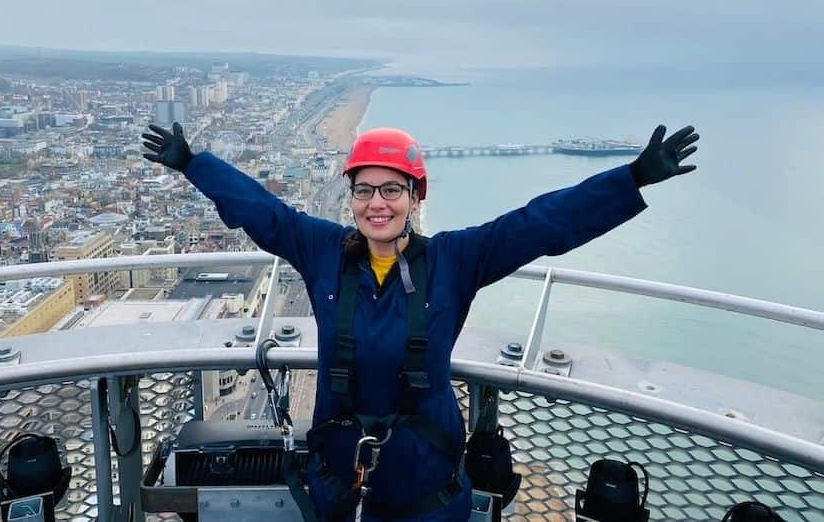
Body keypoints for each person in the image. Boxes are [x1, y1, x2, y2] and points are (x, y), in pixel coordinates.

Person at [142, 121, 699, 521]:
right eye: (364, 190)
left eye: (391, 189)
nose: (376, 203)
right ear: (351, 198)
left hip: (428, 493)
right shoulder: (322, 251)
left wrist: (631, 179)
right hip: (339, 489)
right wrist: (196, 164)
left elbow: (540, 224)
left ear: (414, 197)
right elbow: (261, 210)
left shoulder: (456, 261)